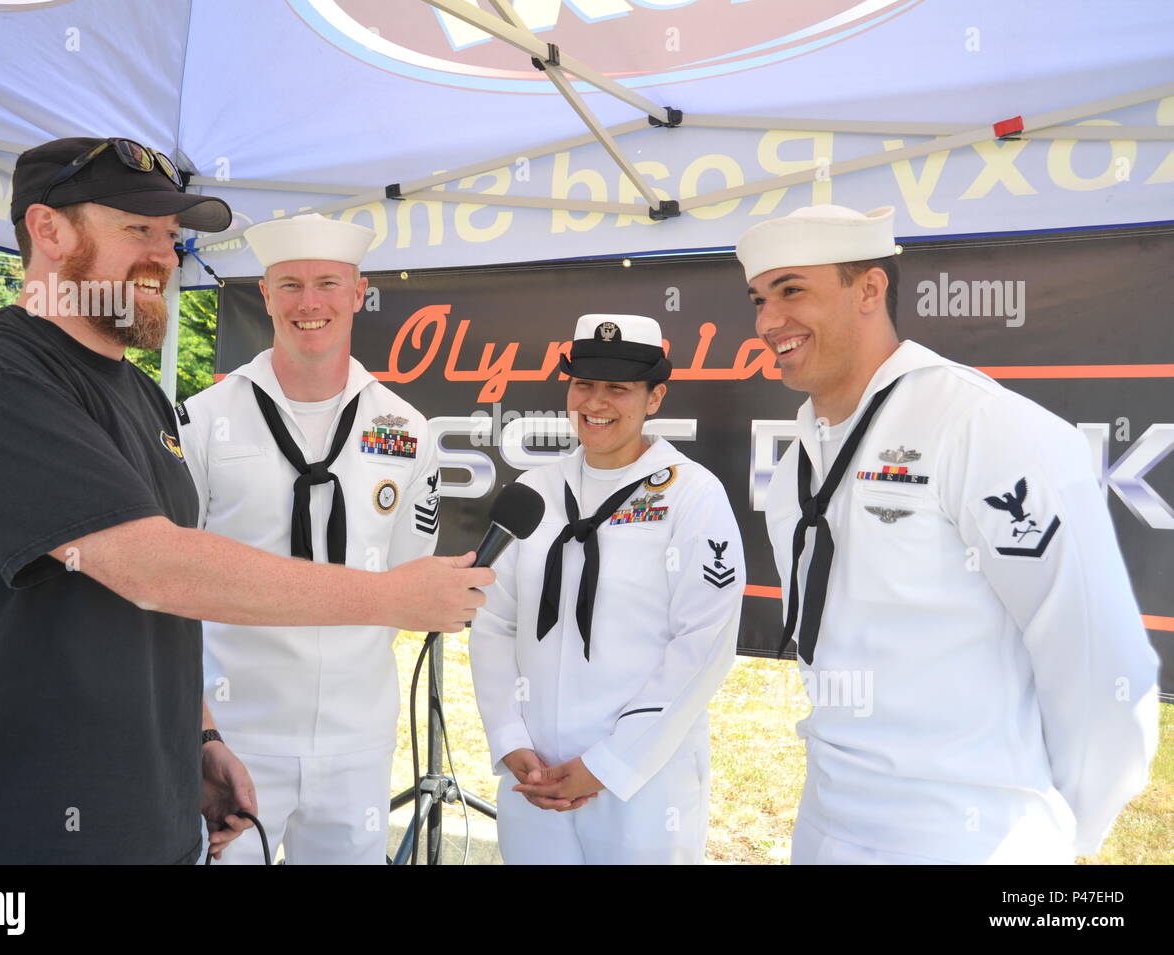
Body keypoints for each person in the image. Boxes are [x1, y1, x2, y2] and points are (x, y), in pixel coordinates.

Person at [0, 137, 491, 864]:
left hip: (148, 820)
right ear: (48, 230)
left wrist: (197, 737)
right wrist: (387, 597)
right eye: (137, 229)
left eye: (170, 237)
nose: (165, 258)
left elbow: (155, 606)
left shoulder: (146, 400)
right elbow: (152, 566)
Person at [736, 203, 1160, 864]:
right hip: (823, 828)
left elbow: (1103, 670)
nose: (768, 321)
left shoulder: (980, 426)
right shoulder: (797, 465)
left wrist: (1055, 835)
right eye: (760, 299)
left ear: (870, 289)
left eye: (792, 290)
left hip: (973, 839)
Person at [177, 213, 441, 865]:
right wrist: (199, 727)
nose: (310, 302)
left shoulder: (406, 429)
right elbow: (169, 585)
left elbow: (406, 584)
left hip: (358, 741)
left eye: (328, 282)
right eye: (289, 284)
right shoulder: (203, 421)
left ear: (359, 292)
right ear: (264, 295)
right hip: (234, 737)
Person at [470, 314, 745, 864]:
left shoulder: (692, 494)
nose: (596, 402)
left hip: (642, 782)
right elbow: (495, 622)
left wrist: (609, 765)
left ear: (655, 397)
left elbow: (704, 644)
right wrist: (508, 738)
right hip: (537, 777)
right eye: (583, 385)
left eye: (618, 388)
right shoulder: (535, 489)